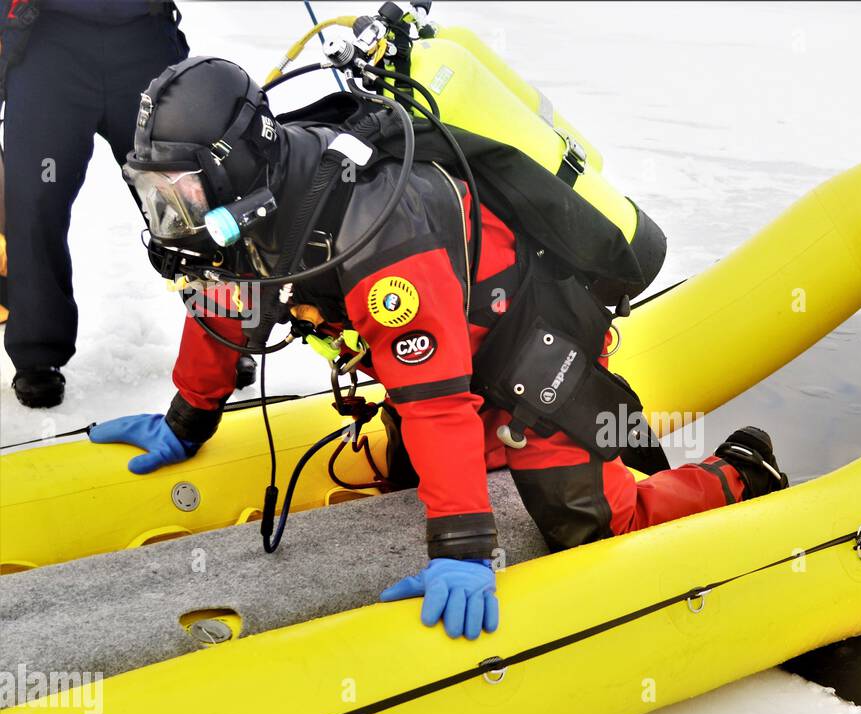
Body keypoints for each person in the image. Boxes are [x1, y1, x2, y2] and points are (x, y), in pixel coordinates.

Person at [91, 56, 789, 638]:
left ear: (235, 168)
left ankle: (739, 474)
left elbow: (435, 397)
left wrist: (461, 549)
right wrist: (188, 419)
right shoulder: (251, 209)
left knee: (599, 527)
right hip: (437, 356)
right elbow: (226, 303)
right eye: (154, 194)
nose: (168, 216)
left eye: (179, 192)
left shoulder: (376, 229)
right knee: (400, 488)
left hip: (527, 360)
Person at [1, 0, 190, 407]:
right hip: (46, 41)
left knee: (183, 198)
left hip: (144, 36)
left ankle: (223, 331)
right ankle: (37, 352)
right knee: (35, 198)